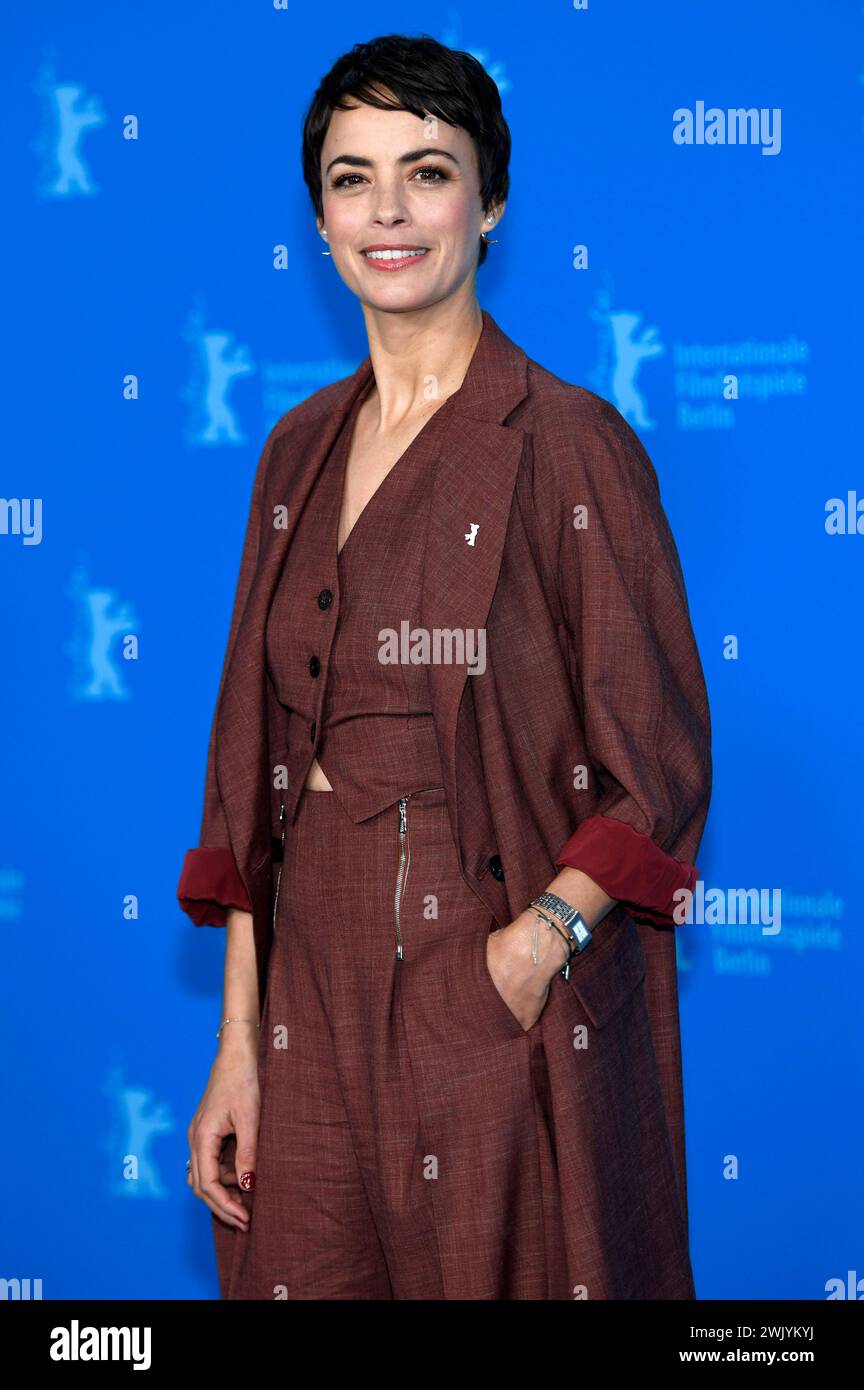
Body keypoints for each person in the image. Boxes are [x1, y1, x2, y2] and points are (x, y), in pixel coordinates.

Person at [177, 33, 712, 1300]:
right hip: (306, 998)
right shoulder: (294, 452)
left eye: (428, 170)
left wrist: (527, 954)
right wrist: (238, 1047)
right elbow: (250, 778)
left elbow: (656, 764)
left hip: (485, 976)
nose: (391, 210)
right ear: (319, 218)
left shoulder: (572, 443)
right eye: (354, 179)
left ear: (492, 200)